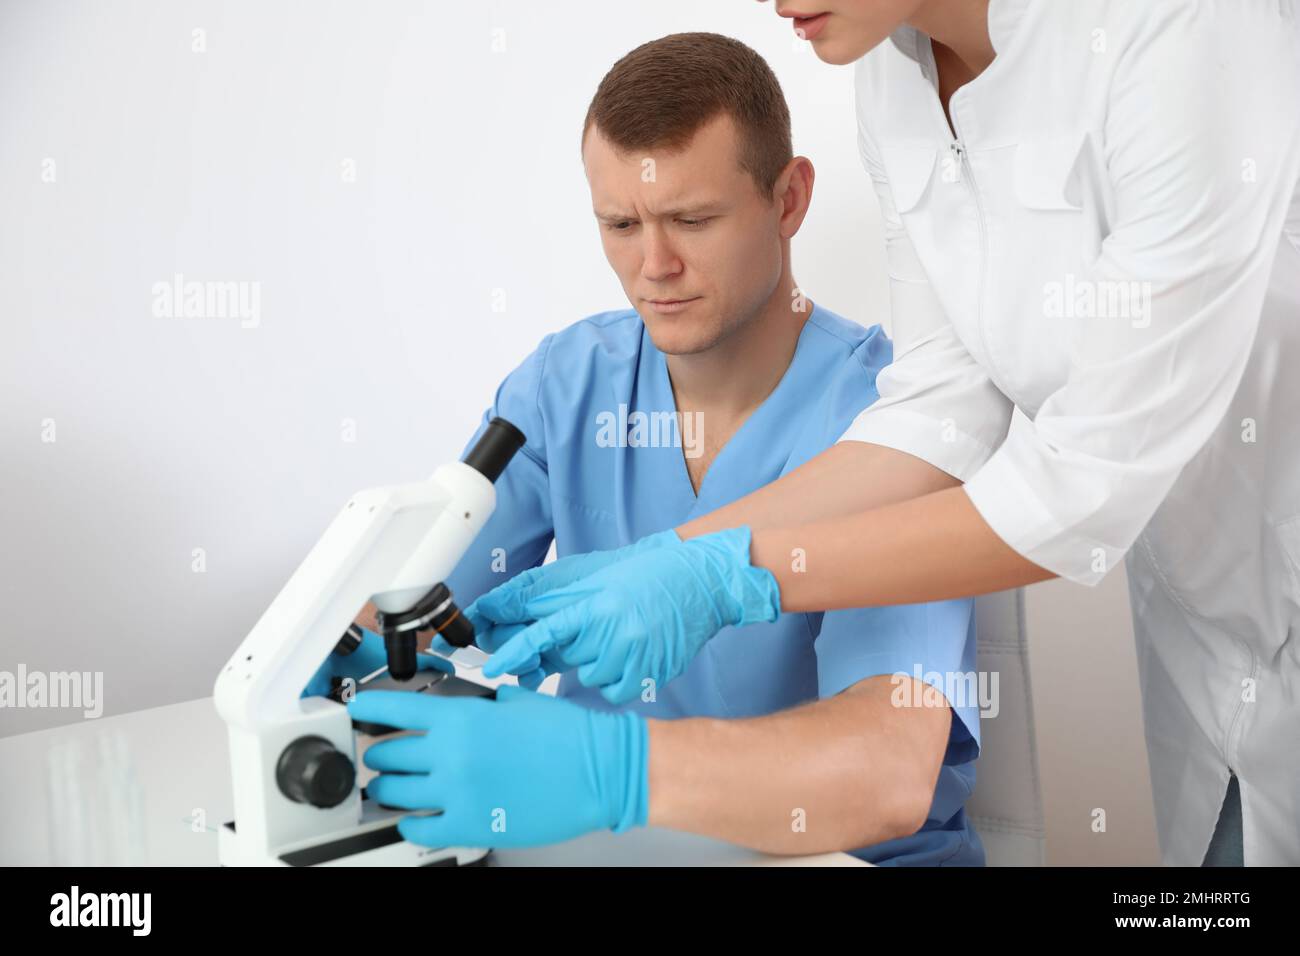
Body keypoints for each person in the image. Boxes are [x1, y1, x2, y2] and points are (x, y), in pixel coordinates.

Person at [474, 1, 1300, 867]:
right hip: (1212, 613)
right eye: (622, 224)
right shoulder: (893, 70)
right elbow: (942, 406)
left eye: (693, 219)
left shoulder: (1185, 23)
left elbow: (1085, 484)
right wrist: (678, 553)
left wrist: (734, 575)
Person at [342, 33, 985, 864]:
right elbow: (404, 623)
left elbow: (886, 774)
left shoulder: (901, 422)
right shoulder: (566, 386)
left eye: (691, 219)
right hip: (608, 847)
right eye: (619, 224)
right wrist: (337, 645)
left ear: (789, 199)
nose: (654, 266)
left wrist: (609, 768)